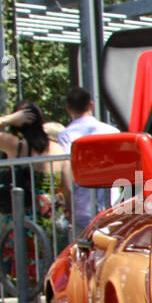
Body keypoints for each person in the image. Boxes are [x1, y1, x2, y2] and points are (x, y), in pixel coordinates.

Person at [0, 100, 67, 218]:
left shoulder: (15, 144)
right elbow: (67, 189)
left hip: (22, 219)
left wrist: (9, 119)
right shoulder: (58, 149)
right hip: (53, 218)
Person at [56, 86, 119, 233]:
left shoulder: (65, 136)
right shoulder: (112, 131)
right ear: (91, 105)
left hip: (82, 208)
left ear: (68, 109)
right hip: (112, 205)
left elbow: (67, 171)